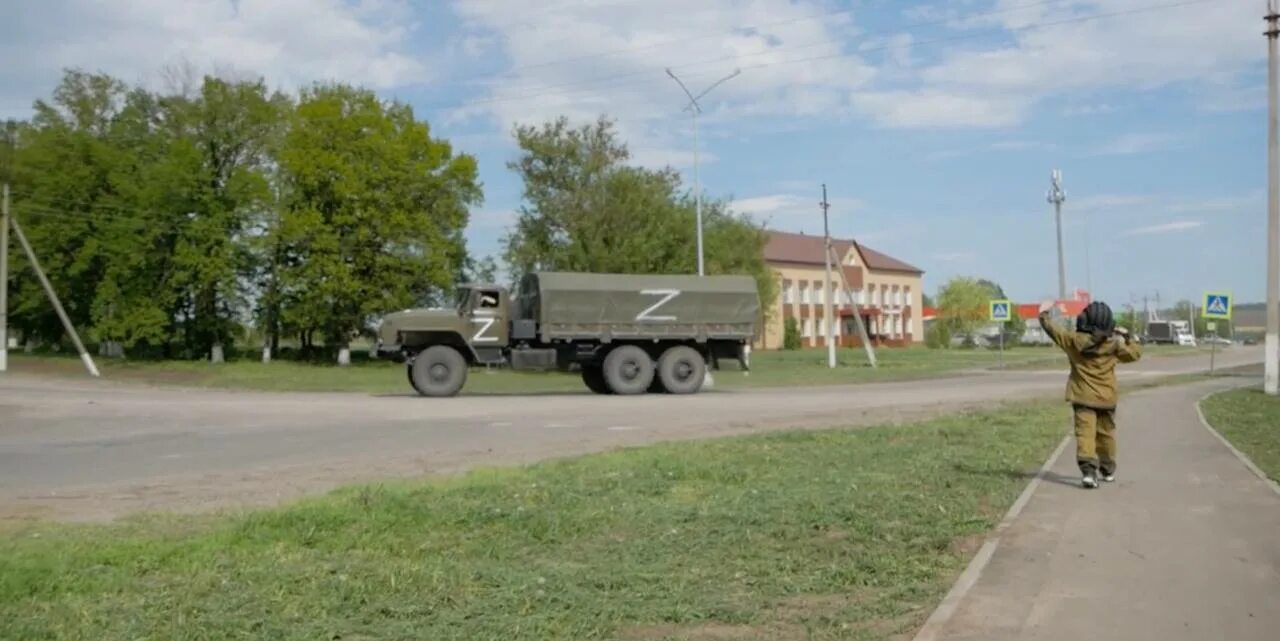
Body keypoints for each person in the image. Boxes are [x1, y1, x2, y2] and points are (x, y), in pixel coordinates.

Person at [1037, 299, 1142, 489]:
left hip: (1082, 397)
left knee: (1085, 434)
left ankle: (1088, 472)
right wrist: (1128, 336)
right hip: (1107, 399)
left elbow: (1054, 332)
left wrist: (1044, 315)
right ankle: (1108, 469)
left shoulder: (1073, 341)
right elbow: (1135, 354)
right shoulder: (1114, 345)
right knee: (1106, 434)